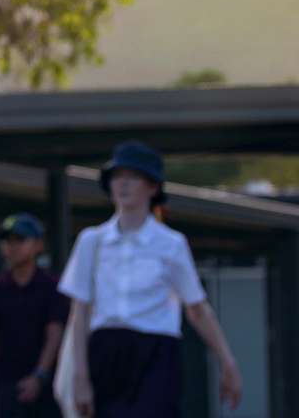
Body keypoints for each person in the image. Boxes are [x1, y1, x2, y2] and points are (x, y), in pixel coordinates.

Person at [60, 141, 244, 417]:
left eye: (133, 177)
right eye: (117, 177)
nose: (123, 184)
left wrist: (227, 363)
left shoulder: (171, 243)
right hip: (106, 353)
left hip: (155, 355)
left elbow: (196, 308)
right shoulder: (92, 241)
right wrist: (79, 376)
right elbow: (80, 311)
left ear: (153, 187)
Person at [0, 213, 68, 418]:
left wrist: (39, 375)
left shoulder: (52, 287)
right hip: (8, 385)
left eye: (20, 240)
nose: (12, 246)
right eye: (7, 240)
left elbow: (55, 334)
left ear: (38, 245)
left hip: (47, 387)